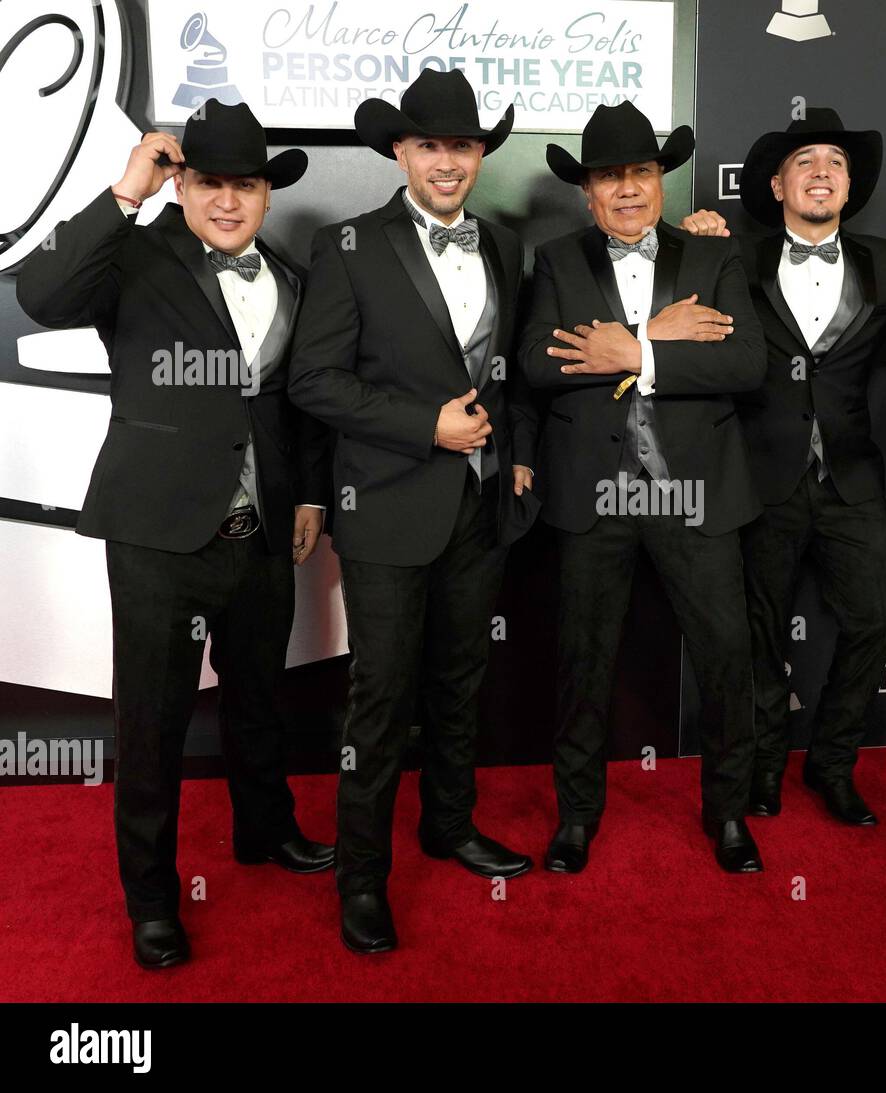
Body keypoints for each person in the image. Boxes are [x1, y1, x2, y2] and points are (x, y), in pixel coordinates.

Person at [17, 101, 334, 969]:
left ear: (268, 194)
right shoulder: (135, 254)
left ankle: (264, 832)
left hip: (261, 530)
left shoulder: (293, 276)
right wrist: (125, 192)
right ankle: (152, 898)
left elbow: (294, 407)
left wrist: (308, 498)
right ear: (181, 185)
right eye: (209, 183)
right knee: (151, 721)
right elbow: (39, 294)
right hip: (159, 533)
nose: (228, 201)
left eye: (245, 185)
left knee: (259, 699)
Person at [679, 108, 886, 823]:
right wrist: (695, 241)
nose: (821, 172)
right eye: (805, 162)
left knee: (876, 620)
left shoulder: (884, 261)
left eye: (834, 161)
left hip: (852, 478)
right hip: (759, 477)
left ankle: (831, 763)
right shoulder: (733, 256)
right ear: (775, 184)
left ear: (851, 182)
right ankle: (764, 765)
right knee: (758, 634)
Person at [288, 69, 539, 954]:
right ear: (399, 151)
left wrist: (516, 458)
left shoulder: (507, 246)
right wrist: (424, 427)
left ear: (480, 155)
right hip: (387, 506)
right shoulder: (346, 244)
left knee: (460, 680)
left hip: (478, 512)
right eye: (429, 144)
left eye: (462, 145)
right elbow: (313, 379)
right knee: (381, 698)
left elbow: (515, 374)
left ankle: (449, 823)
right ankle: (363, 878)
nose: (446, 161)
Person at [519, 101, 767, 874]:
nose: (626, 189)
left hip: (695, 490)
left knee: (728, 652)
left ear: (662, 180)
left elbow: (744, 365)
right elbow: (535, 363)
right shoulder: (558, 260)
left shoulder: (713, 257)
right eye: (608, 177)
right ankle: (577, 815)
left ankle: (728, 812)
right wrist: (663, 336)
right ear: (587, 192)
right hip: (595, 491)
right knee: (583, 659)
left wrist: (636, 350)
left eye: (641, 172)